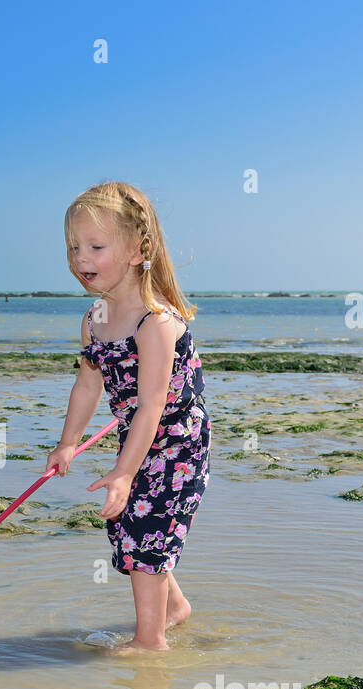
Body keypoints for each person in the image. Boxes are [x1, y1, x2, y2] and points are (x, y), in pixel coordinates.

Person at [46, 182, 210, 651]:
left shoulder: (154, 322)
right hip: (138, 439)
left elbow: (151, 404)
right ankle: (174, 608)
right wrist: (68, 444)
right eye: (75, 247)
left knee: (149, 537)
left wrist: (123, 471)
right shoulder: (94, 318)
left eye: (96, 246)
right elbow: (87, 385)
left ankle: (149, 642)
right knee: (127, 526)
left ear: (139, 250)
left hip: (178, 445)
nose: (81, 258)